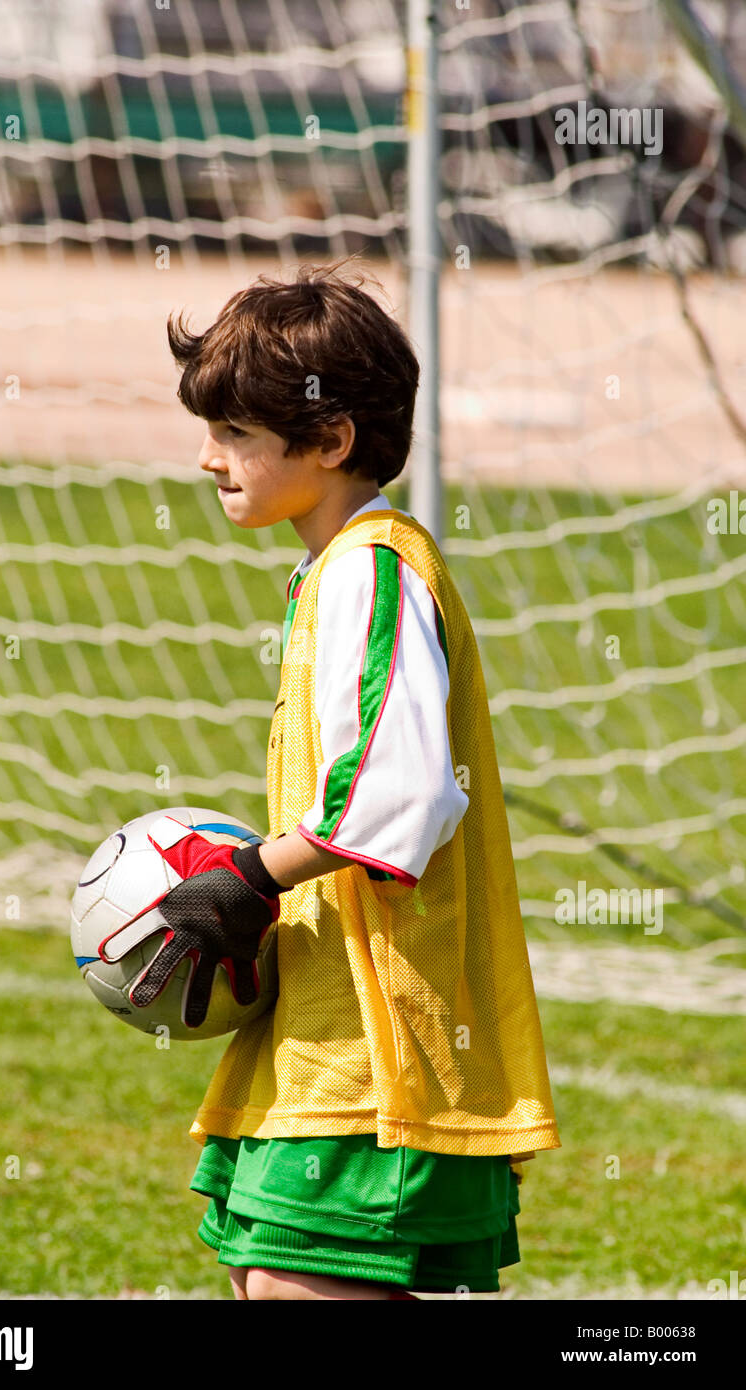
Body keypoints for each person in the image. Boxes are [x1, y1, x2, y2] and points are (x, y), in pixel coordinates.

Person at [157, 263, 561, 1301]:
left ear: (330, 439)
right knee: (266, 1273)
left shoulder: (373, 570)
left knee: (293, 1281)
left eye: (237, 432)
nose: (209, 458)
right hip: (329, 1035)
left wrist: (250, 876)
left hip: (381, 1052)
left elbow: (402, 793)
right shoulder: (334, 570)